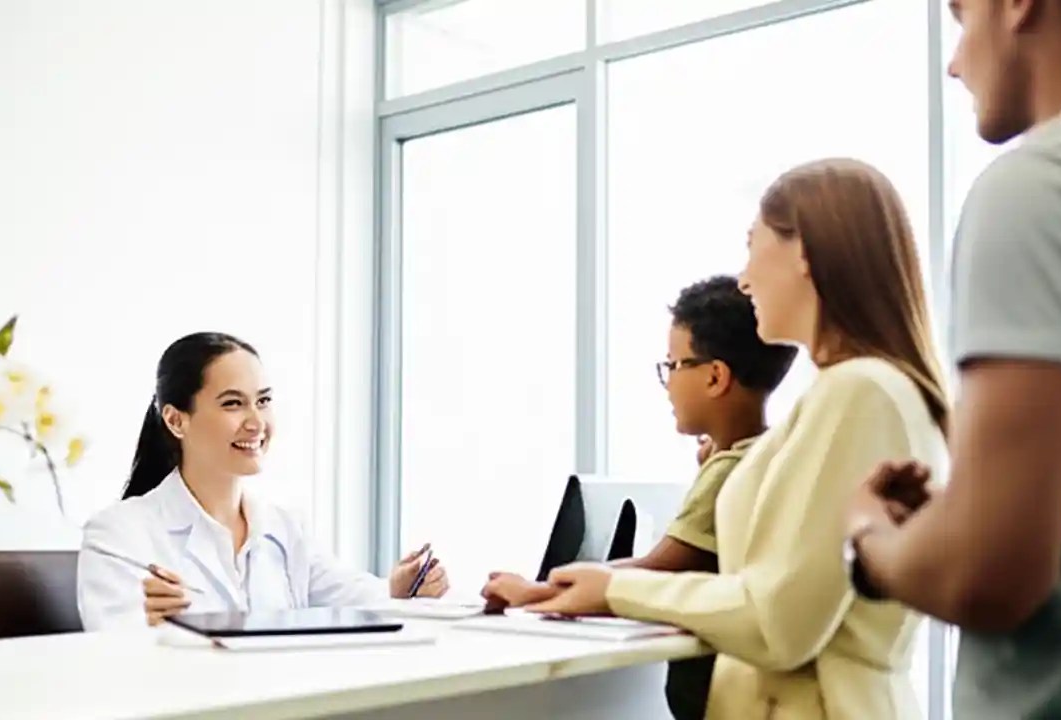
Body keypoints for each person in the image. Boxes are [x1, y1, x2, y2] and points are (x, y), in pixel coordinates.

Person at [522, 158, 950, 719]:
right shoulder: (852, 395)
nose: (745, 278)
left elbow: (778, 620)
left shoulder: (861, 392)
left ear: (804, 253)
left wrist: (614, 589)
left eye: (753, 246)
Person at [842, 2, 1061, 717]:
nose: (955, 60)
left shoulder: (1046, 190)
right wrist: (960, 515)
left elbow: (988, 575)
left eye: (961, 17)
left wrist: (870, 540)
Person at [482, 275, 797, 720]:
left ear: (714, 376)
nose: (667, 382)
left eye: (673, 365)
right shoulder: (765, 455)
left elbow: (656, 573)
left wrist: (533, 591)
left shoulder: (731, 470)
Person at [77, 332, 448, 630]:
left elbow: (353, 597)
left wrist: (398, 590)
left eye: (263, 401)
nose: (256, 422)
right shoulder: (118, 534)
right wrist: (153, 627)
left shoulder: (285, 528)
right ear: (176, 420)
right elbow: (114, 648)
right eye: (232, 404)